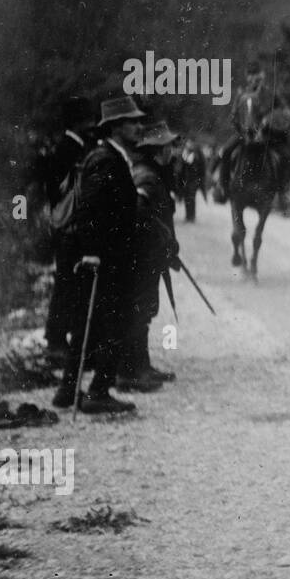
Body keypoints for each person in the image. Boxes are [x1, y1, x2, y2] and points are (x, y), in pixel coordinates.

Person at [51, 97, 146, 414]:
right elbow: (91, 209)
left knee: (86, 326)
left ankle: (67, 390)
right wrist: (91, 252)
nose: (138, 126)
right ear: (117, 128)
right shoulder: (107, 160)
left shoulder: (108, 156)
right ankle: (98, 391)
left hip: (105, 257)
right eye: (132, 122)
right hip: (107, 259)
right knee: (113, 324)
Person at [124, 121, 182, 390]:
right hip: (144, 255)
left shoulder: (153, 173)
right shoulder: (147, 176)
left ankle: (142, 366)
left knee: (145, 309)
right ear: (160, 150)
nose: (173, 150)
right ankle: (131, 372)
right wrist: (161, 238)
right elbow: (138, 211)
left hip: (149, 254)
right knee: (140, 309)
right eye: (170, 145)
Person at [44, 96, 98, 360]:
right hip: (69, 225)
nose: (92, 125)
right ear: (77, 123)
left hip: (66, 224)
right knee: (66, 283)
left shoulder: (68, 146)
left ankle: (58, 339)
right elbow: (59, 188)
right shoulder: (70, 149)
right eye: (87, 120)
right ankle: (55, 341)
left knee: (68, 282)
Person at [217, 59, 290, 203]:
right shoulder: (241, 94)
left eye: (257, 75)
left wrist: (269, 119)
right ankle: (223, 188)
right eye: (251, 75)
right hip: (245, 134)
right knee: (226, 150)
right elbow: (233, 116)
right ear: (247, 77)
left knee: (286, 157)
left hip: (268, 136)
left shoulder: (272, 94)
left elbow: (286, 112)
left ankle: (282, 192)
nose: (254, 78)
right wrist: (241, 129)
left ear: (263, 75)